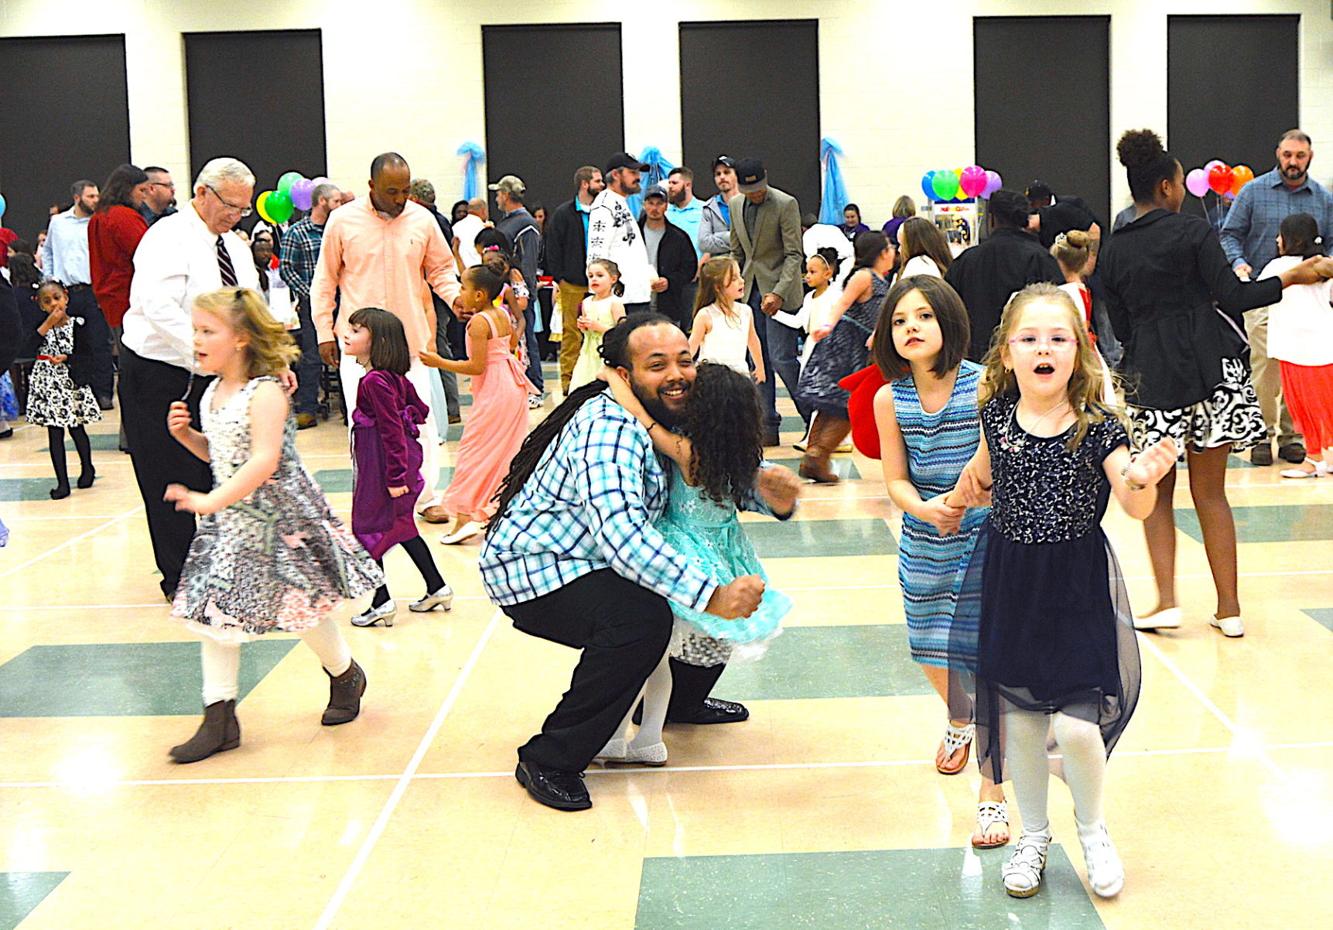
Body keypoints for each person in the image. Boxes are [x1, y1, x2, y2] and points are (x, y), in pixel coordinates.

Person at [481, 314, 800, 811]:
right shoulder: (608, 430)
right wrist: (711, 596)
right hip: (540, 566)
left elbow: (708, 472)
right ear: (625, 376)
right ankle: (551, 757)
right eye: (657, 365)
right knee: (640, 620)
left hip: (594, 556)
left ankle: (680, 704)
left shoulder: (670, 412)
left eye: (684, 360)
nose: (676, 374)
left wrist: (770, 495)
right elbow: (622, 536)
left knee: (700, 602)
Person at [948, 283, 1178, 900]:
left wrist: (1145, 480)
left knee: (1076, 728)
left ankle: (1093, 828)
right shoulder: (996, 416)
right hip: (1011, 581)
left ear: (1079, 351)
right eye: (1029, 339)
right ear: (1007, 354)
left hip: (1075, 586)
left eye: (1058, 338)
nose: (1043, 349)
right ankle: (1033, 834)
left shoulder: (1099, 428)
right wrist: (958, 497)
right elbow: (983, 476)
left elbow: (1133, 502)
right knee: (1020, 722)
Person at [1100, 129, 1327, 638]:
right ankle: (1229, 609)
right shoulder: (1194, 232)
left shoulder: (1114, 250)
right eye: (1180, 183)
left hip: (1152, 377)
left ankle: (1166, 602)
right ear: (1165, 186)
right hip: (1211, 372)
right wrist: (1292, 277)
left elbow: (1121, 326)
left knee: (1158, 494)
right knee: (1211, 493)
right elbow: (1235, 297)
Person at [163, 288, 381, 763]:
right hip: (232, 523)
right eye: (196, 330)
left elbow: (263, 461)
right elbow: (224, 456)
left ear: (241, 338)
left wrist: (209, 499)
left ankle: (345, 673)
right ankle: (219, 716)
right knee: (215, 617)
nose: (196, 340)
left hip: (278, 520)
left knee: (302, 608)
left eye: (207, 331)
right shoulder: (212, 392)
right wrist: (187, 437)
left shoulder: (264, 392)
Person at [869, 275, 1009, 849]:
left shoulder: (983, 386)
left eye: (924, 316)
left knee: (987, 657)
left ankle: (993, 793)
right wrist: (926, 509)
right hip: (925, 533)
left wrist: (966, 498)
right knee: (926, 643)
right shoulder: (889, 398)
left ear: (948, 321)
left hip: (984, 532)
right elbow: (895, 479)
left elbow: (996, 462)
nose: (912, 328)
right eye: (900, 320)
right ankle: (959, 716)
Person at [595, 362, 792, 767]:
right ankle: (651, 729)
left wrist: (615, 378)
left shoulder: (688, 450)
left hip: (686, 547)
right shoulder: (732, 453)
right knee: (689, 645)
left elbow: (644, 420)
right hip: (725, 549)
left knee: (654, 654)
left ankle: (632, 733)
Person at [122, 156, 270, 601]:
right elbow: (158, 307)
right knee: (166, 477)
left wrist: (266, 357)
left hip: (220, 374)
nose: (236, 215)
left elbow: (251, 305)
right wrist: (205, 351)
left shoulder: (235, 247)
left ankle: (228, 565)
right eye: (230, 205)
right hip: (160, 372)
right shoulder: (167, 237)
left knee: (226, 468)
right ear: (202, 192)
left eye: (243, 208)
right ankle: (182, 579)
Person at [311, 152, 461, 516]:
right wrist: (324, 332)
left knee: (418, 421)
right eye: (391, 191)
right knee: (364, 425)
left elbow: (441, 270)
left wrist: (457, 298)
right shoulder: (342, 221)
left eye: (405, 190)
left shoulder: (422, 220)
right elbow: (325, 280)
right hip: (359, 349)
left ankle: (425, 498)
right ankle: (374, 497)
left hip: (410, 344)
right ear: (371, 186)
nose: (400, 198)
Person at [1221, 130, 1333, 466]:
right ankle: (1261, 434)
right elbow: (1230, 234)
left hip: (1310, 299)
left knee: (1300, 367)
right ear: (1277, 154)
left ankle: (1292, 436)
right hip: (1264, 294)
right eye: (1287, 155)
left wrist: (1326, 270)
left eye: (1300, 156)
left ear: (1310, 157)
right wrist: (1239, 264)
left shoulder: (1323, 198)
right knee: (1265, 367)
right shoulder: (1253, 191)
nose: (1293, 162)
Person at [340, 307, 453, 626]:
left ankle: (382, 602)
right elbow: (420, 409)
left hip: (383, 468)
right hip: (395, 463)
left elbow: (391, 429)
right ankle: (437, 587)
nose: (347, 335)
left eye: (356, 330)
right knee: (403, 526)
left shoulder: (373, 382)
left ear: (378, 341)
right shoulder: (393, 378)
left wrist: (395, 476)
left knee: (368, 529)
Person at [419, 265, 534, 545]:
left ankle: (465, 519)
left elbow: (476, 366)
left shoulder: (478, 324)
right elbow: (511, 343)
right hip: (512, 383)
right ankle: (493, 511)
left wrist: (439, 362)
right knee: (502, 453)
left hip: (496, 389)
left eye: (463, 288)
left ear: (479, 294)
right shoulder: (502, 314)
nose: (460, 293)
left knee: (474, 453)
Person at [799, 231, 896, 482]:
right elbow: (842, 303)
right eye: (889, 247)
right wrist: (827, 326)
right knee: (844, 404)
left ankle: (814, 456)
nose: (893, 251)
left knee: (835, 403)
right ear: (881, 253)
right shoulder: (864, 276)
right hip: (849, 346)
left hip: (860, 346)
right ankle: (817, 455)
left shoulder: (878, 278)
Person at [727, 158, 806, 445]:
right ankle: (766, 426)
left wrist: (779, 292)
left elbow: (794, 254)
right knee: (756, 361)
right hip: (749, 293)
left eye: (759, 188)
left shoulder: (786, 204)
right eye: (749, 190)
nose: (755, 194)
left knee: (781, 359)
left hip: (780, 294)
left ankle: (813, 418)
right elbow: (737, 252)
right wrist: (729, 285)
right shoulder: (735, 205)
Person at [1255, 213, 1333, 479]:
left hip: (1297, 350)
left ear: (1292, 239)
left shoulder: (1278, 267)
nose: (1277, 240)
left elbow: (1259, 293)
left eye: (1281, 235)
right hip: (1324, 347)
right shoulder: (1323, 267)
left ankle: (1314, 459)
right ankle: (1323, 455)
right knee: (1325, 405)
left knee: (1304, 407)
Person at [945, 189, 1064, 361]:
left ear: (992, 219)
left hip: (974, 358)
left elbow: (949, 310)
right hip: (1027, 358)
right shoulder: (1040, 258)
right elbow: (1059, 310)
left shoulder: (965, 261)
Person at [89, 164, 151, 452]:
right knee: (136, 371)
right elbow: (147, 254)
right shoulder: (124, 217)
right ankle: (134, 434)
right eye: (141, 190)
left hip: (111, 300)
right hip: (129, 300)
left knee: (127, 370)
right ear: (127, 189)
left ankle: (129, 433)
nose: (143, 196)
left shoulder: (99, 217)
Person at [44, 178, 115, 408]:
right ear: (77, 198)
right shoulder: (58, 223)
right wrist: (50, 279)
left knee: (99, 342)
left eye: (97, 196)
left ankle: (103, 392)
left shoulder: (99, 222)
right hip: (66, 291)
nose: (96, 200)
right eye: (90, 196)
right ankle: (77, 388)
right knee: (71, 343)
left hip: (94, 289)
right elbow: (48, 252)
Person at [27, 279, 100, 498]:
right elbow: (27, 347)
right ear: (41, 306)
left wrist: (68, 358)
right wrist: (46, 325)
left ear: (66, 298)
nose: (53, 304)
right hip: (48, 383)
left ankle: (87, 467)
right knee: (54, 433)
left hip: (70, 382)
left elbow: (88, 353)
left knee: (76, 428)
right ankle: (62, 482)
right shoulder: (39, 327)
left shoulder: (78, 324)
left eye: (57, 298)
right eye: (47, 301)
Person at [278, 180, 343, 429]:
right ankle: (307, 408)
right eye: (336, 201)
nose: (340, 205)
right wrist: (310, 293)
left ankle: (351, 409)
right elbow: (286, 268)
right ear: (322, 201)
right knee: (312, 356)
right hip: (311, 304)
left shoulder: (337, 229)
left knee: (347, 352)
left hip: (341, 300)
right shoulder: (297, 232)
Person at [409, 177, 463, 428]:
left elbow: (439, 266)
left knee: (438, 348)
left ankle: (449, 407)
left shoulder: (427, 222)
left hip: (434, 298)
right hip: (431, 296)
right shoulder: (440, 220)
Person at [546, 166, 604, 392]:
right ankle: (568, 383)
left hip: (601, 282)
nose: (602, 185)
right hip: (572, 282)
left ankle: (600, 379)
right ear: (584, 184)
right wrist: (560, 278)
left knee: (600, 329)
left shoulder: (604, 211)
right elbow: (553, 247)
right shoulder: (564, 213)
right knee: (571, 333)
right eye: (597, 181)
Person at [490, 175, 545, 396]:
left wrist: (526, 292)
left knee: (527, 339)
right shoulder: (508, 222)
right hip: (504, 293)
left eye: (498, 194)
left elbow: (528, 261)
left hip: (518, 292)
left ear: (505, 195)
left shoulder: (526, 225)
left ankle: (535, 387)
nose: (496, 198)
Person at [588, 153, 661, 315]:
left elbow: (628, 248)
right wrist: (601, 295)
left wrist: (648, 275)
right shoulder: (604, 206)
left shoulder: (620, 202)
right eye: (632, 172)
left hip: (636, 295)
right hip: (620, 299)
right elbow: (597, 253)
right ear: (616, 174)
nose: (638, 177)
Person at [689, 257, 764, 381]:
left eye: (740, 276)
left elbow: (753, 340)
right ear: (717, 287)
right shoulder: (705, 315)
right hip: (712, 377)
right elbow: (691, 347)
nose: (741, 281)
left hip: (740, 374)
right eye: (734, 279)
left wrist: (760, 367)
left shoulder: (746, 311)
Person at [639, 185, 698, 329]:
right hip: (637, 301)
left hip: (669, 304)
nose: (655, 208)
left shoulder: (678, 237)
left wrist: (669, 281)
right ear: (644, 205)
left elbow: (689, 268)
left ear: (666, 206)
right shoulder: (632, 234)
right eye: (651, 203)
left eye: (659, 203)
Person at [569, 258, 625, 391]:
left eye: (599, 275)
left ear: (613, 279)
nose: (594, 279)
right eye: (590, 276)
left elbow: (622, 333)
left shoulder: (615, 303)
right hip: (588, 352)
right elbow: (586, 330)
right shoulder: (586, 302)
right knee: (581, 383)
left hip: (607, 351)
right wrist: (583, 327)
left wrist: (598, 327)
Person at [698, 155, 737, 262]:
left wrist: (716, 237)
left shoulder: (748, 203)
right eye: (718, 174)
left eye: (726, 172)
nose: (722, 177)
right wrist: (734, 238)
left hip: (746, 268)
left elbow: (753, 240)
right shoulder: (709, 207)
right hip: (720, 268)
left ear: (737, 175)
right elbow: (703, 243)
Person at [451, 197, 489, 271]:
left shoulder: (455, 227)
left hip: (457, 271)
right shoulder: (483, 228)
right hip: (478, 272)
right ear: (484, 211)